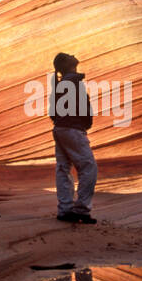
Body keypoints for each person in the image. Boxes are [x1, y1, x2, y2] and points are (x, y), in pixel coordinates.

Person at [49, 51, 98, 223]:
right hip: (72, 130)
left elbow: (52, 113)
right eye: (70, 55)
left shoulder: (61, 83)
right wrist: (83, 123)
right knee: (89, 168)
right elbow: (84, 108)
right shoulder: (73, 81)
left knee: (63, 168)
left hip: (60, 129)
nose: (74, 55)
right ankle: (82, 210)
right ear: (67, 64)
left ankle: (65, 210)